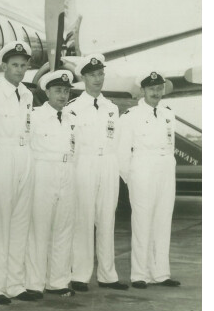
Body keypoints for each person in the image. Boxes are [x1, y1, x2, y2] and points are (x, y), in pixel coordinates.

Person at [67, 54, 128, 292]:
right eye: (92, 75)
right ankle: (80, 275)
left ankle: (107, 274)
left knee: (107, 218)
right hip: (84, 163)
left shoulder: (111, 108)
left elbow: (119, 142)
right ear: (83, 78)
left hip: (108, 164)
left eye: (101, 74)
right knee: (83, 219)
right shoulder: (74, 108)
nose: (97, 79)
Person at [117, 71, 182, 289]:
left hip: (164, 168)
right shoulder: (130, 116)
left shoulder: (168, 114)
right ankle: (140, 275)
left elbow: (171, 146)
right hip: (142, 169)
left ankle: (161, 273)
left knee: (163, 220)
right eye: (152, 89)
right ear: (143, 91)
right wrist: (131, 178)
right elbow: (122, 152)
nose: (156, 92)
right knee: (142, 221)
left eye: (159, 88)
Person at [0, 42, 35, 305]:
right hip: (1, 155)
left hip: (24, 156)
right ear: (3, 66)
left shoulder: (27, 94)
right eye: (14, 65)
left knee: (19, 222)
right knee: (0, 223)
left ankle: (15, 283)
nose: (19, 70)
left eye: (23, 65)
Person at [23, 69, 78, 299]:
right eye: (58, 91)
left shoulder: (71, 118)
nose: (63, 95)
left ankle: (58, 282)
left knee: (63, 228)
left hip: (67, 171)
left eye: (66, 91)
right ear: (47, 91)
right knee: (39, 229)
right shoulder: (34, 116)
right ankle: (34, 283)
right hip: (43, 171)